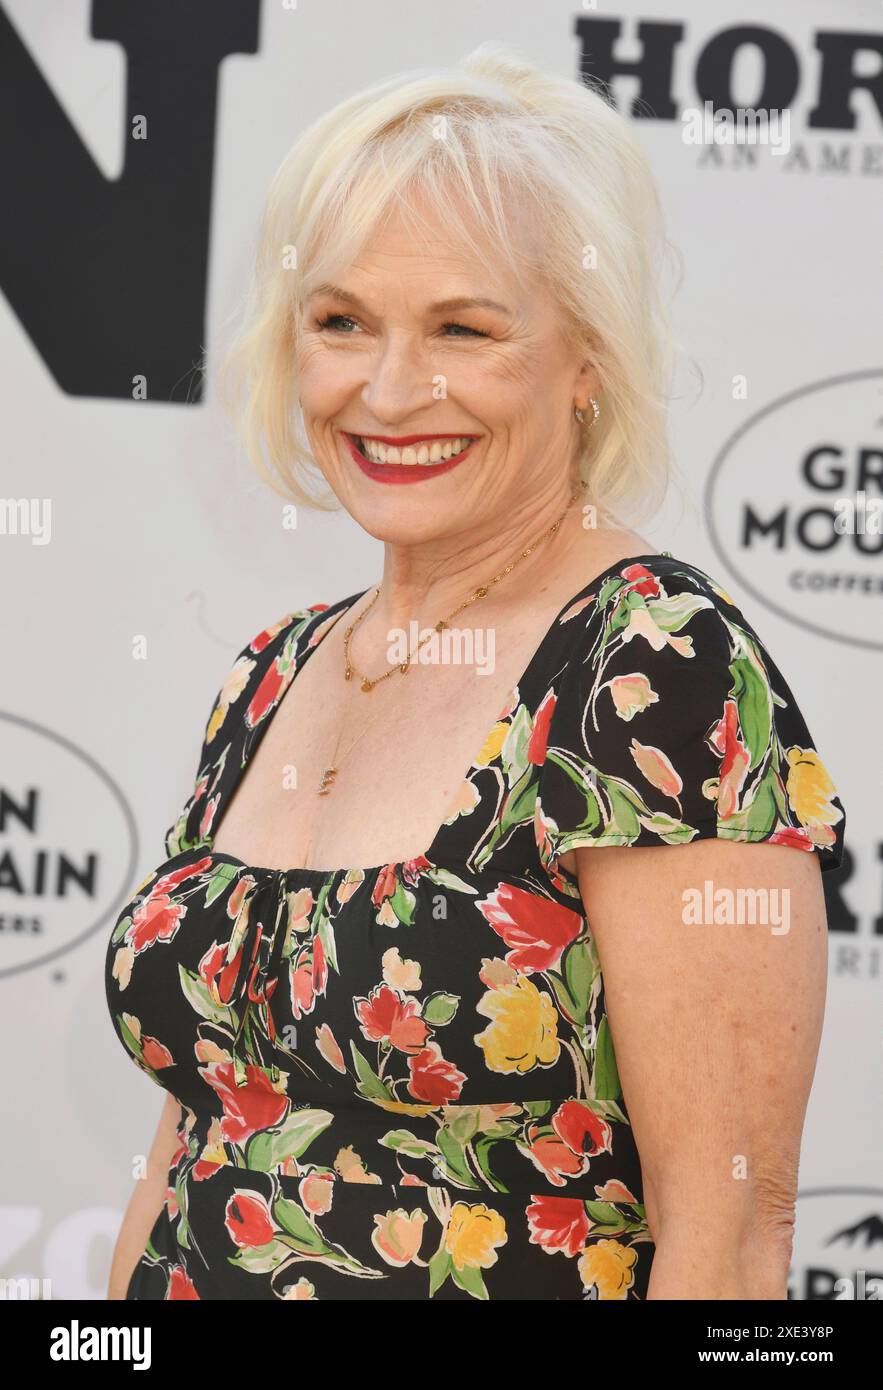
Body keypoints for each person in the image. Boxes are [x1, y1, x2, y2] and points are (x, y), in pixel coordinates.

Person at [105, 43, 845, 1301]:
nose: (390, 391)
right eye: (341, 322)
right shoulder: (271, 674)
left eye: (464, 328)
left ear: (585, 360)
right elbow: (193, 1135)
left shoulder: (652, 670)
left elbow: (730, 1248)